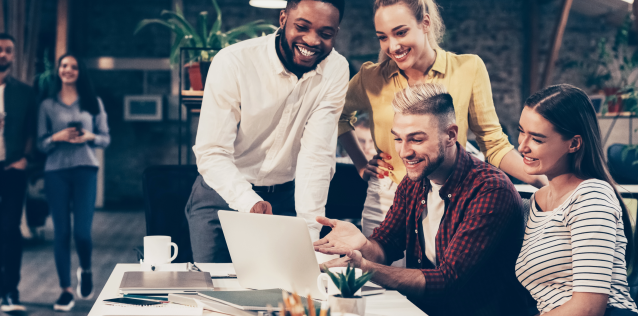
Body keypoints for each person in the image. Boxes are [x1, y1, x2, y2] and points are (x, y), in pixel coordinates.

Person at [314, 83, 533, 316]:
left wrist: (365, 267)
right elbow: (387, 244)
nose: (404, 152)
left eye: (416, 140)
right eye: (398, 139)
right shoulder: (413, 182)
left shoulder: (490, 190)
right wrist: (363, 245)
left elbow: (446, 281)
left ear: (450, 135)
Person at [338, 0, 547, 238]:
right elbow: (336, 114)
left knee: (438, 275)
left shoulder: (468, 69)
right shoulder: (371, 78)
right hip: (386, 199)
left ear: (425, 23)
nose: (392, 46)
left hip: (450, 198)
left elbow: (494, 143)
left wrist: (546, 180)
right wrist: (361, 165)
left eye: (401, 32)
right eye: (383, 37)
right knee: (381, 274)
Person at [186, 0, 348, 263]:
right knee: (216, 290)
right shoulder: (234, 62)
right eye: (302, 27)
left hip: (284, 200)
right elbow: (211, 152)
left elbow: (316, 157)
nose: (312, 40)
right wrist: (249, 201)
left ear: (335, 33)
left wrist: (309, 233)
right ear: (283, 19)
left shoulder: (336, 69)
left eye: (325, 33)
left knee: (280, 293)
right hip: (222, 195)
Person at [515, 84, 638, 316]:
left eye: (537, 139)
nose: (522, 146)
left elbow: (588, 308)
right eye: (521, 131)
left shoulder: (591, 197)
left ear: (574, 144)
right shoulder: (536, 202)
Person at [38, 53, 110, 311]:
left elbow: (105, 139)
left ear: (80, 72)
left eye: (74, 66)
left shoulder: (93, 103)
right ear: (58, 70)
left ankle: (86, 269)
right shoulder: (47, 105)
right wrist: (56, 137)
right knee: (61, 232)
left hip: (85, 170)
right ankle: (66, 290)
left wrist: (89, 135)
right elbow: (41, 144)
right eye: (64, 66)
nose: (68, 70)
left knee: (81, 232)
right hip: (55, 172)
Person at [0, 33, 37, 313]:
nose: (2, 54)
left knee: (10, 229)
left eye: (8, 50)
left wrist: (25, 158)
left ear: (13, 55)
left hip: (13, 169)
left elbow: (32, 131)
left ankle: (10, 291)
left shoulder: (24, 92)